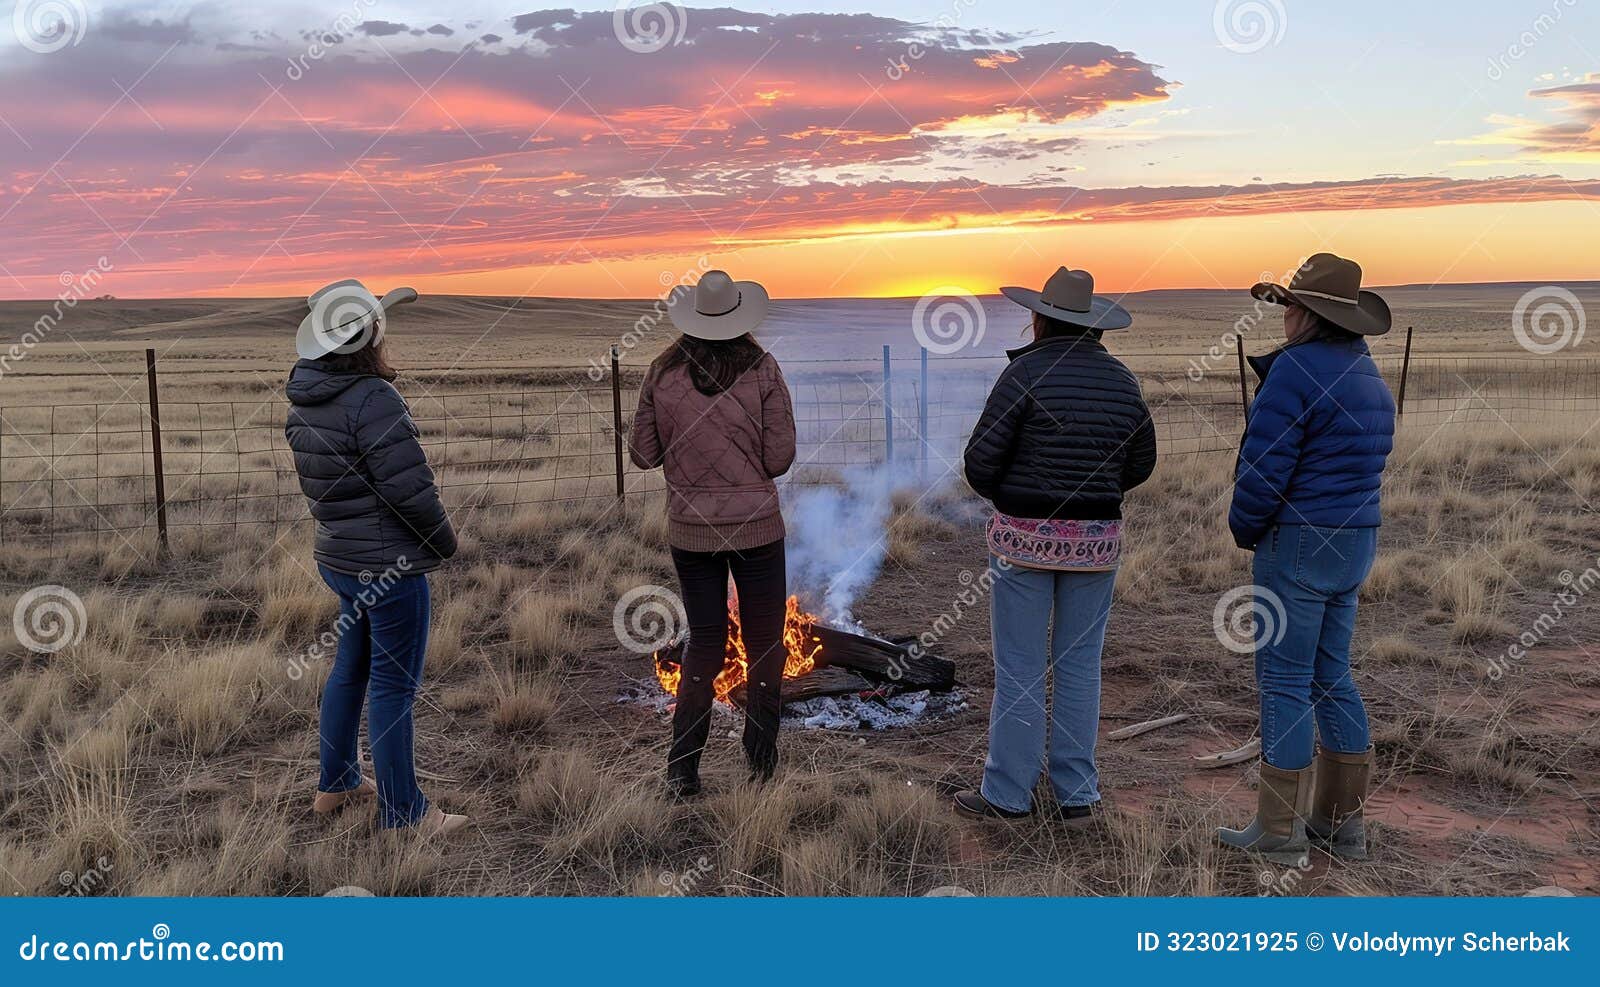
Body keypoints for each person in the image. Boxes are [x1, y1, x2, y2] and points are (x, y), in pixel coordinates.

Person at [955, 266, 1157, 825]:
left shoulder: (1023, 376)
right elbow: (1141, 464)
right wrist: (1093, 497)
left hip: (1022, 542)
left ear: (1041, 318)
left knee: (1019, 667)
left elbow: (980, 461)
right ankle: (1076, 795)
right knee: (1080, 665)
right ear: (1094, 326)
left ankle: (1008, 795)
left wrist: (1018, 502)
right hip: (1096, 545)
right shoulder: (1123, 382)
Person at [1219, 252, 1395, 864]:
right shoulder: (1367, 374)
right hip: (1354, 542)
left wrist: (1245, 529)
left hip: (1295, 541)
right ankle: (1341, 828)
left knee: (1284, 681)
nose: (1285, 313)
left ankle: (1279, 832)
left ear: (1308, 313)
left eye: (1290, 303)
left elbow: (1264, 470)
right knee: (1331, 676)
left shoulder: (1295, 372)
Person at [285, 280, 467, 837]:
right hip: (390, 565)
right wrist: (444, 545)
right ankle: (405, 814)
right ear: (371, 336)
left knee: (351, 670)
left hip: (339, 558)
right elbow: (409, 490)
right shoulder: (373, 399)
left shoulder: (303, 399)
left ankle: (336, 782)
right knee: (393, 687)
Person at [628, 269, 797, 798]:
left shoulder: (662, 372)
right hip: (758, 532)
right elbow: (780, 457)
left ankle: (683, 769)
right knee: (765, 642)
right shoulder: (764, 370)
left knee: (704, 643)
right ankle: (761, 760)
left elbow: (642, 453)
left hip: (692, 532)